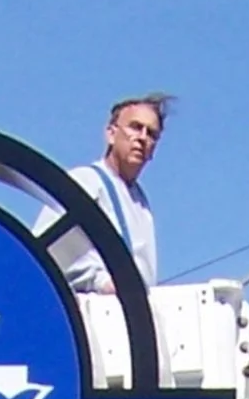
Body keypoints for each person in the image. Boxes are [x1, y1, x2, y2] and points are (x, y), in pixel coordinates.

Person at [34, 95, 172, 293]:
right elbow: (47, 249)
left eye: (151, 134)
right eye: (135, 127)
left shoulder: (141, 203)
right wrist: (100, 282)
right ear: (111, 134)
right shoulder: (86, 181)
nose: (142, 138)